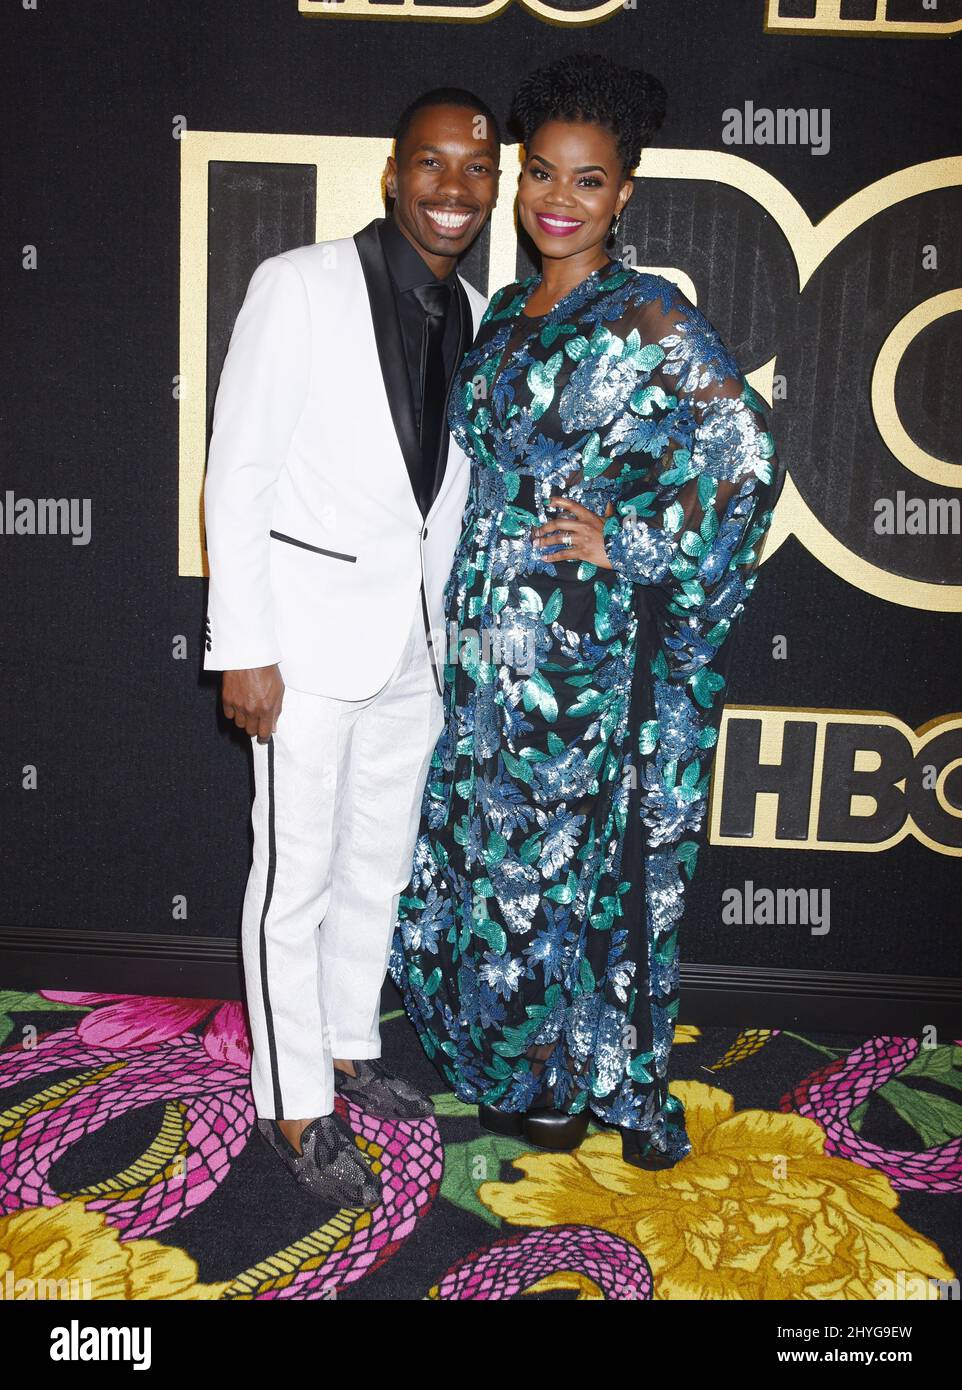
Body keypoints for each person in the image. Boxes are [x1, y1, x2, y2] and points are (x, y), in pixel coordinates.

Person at [390, 54, 782, 1170]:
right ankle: (500, 1060)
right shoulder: (505, 315)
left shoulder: (647, 314)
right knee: (486, 850)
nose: (558, 199)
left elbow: (746, 458)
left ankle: (562, 1077)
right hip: (480, 642)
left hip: (573, 646)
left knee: (555, 858)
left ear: (624, 193)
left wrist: (633, 540)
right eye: (541, 174)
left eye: (589, 180)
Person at [202, 89, 500, 1206]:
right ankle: (291, 1102)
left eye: (476, 168)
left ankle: (343, 1044)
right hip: (305, 646)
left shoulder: (478, 312)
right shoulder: (298, 284)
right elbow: (238, 474)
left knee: (377, 863)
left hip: (413, 646)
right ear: (392, 171)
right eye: (432, 163)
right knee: (294, 878)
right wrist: (244, 644)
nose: (453, 188)